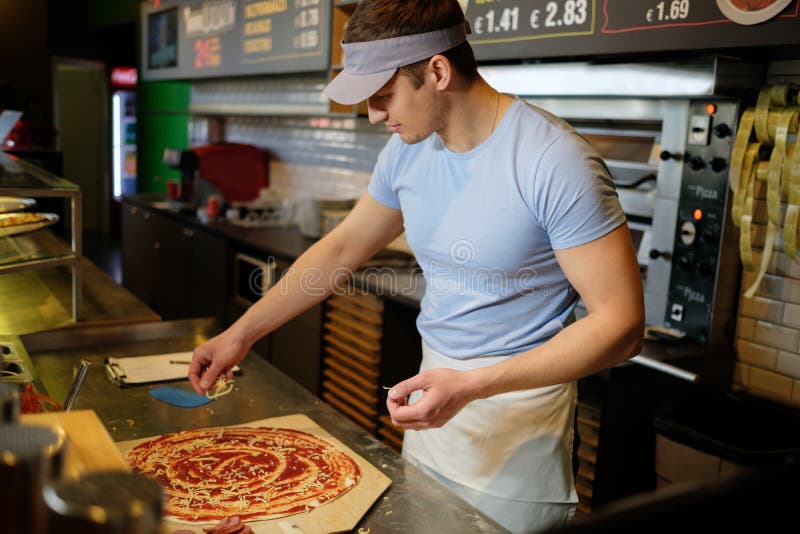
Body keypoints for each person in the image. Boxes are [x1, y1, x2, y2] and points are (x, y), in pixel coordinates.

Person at [189, 1, 644, 531]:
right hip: (432, 420)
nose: (374, 115)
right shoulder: (409, 150)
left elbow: (622, 325)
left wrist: (471, 385)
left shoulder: (554, 161)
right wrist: (241, 335)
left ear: (437, 70)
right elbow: (340, 251)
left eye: (383, 96)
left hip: (518, 442)